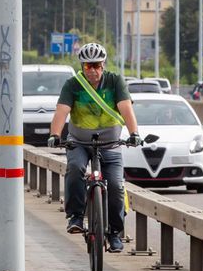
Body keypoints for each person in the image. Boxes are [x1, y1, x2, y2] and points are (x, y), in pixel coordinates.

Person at [45, 42, 141, 253]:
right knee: (75, 168)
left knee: (115, 184)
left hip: (110, 142)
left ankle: (115, 233)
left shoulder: (115, 81)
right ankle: (76, 216)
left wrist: (134, 133)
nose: (93, 70)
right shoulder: (73, 84)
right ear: (82, 66)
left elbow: (126, 108)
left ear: (103, 65)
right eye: (88, 66)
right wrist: (54, 135)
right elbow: (61, 112)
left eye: (97, 65)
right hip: (79, 140)